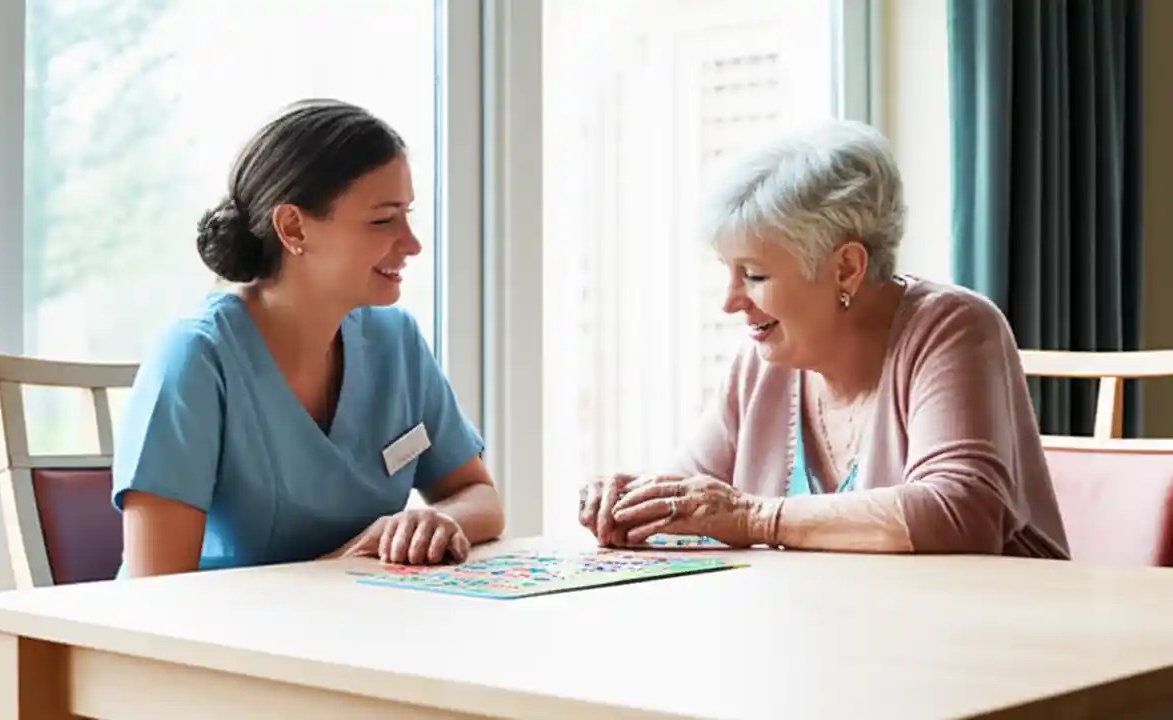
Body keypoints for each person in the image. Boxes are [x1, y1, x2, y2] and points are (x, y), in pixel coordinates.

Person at [578, 120, 1069, 559]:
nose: (730, 302)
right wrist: (635, 503)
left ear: (846, 268)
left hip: (993, 639)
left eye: (753, 275)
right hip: (846, 640)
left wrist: (753, 518)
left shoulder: (951, 328)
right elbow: (694, 504)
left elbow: (962, 511)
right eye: (727, 272)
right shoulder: (761, 363)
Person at [112, 99, 504, 576]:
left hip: (355, 632)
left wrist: (433, 521)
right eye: (383, 219)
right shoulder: (196, 357)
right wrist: (337, 566)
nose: (413, 243)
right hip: (219, 643)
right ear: (294, 227)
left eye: (408, 214)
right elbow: (154, 589)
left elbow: (479, 496)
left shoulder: (395, 342)